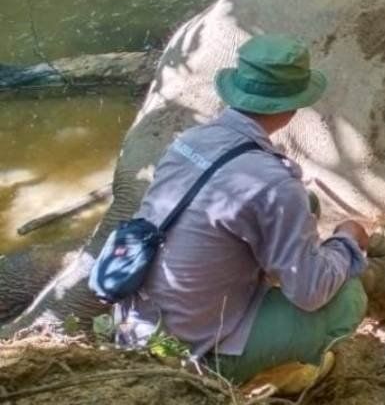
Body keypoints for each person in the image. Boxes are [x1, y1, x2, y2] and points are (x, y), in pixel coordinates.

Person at [113, 34, 369, 391]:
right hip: (190, 354)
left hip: (136, 327)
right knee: (346, 297)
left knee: (304, 205)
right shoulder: (276, 182)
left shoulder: (188, 142)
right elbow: (311, 291)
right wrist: (347, 240)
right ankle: (243, 374)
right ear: (294, 107)